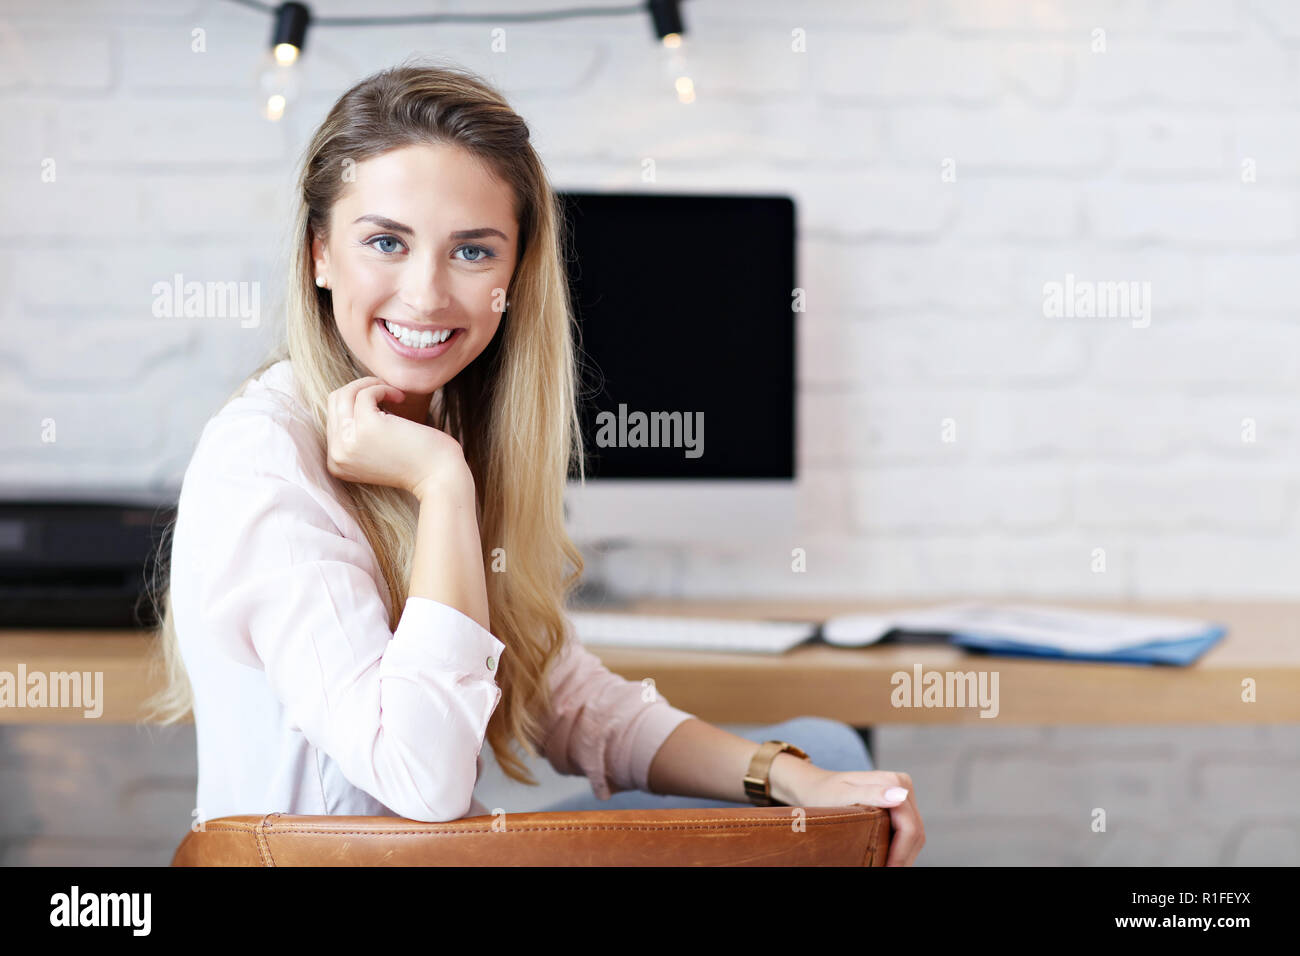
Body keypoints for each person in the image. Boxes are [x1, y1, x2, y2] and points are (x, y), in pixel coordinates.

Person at [142, 60, 924, 866]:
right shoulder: (267, 456)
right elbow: (422, 779)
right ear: (319, 255)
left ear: (515, 276)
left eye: (472, 252)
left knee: (821, 748)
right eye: (385, 241)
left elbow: (570, 702)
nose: (426, 295)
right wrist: (442, 486)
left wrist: (785, 778)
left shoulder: (438, 420)